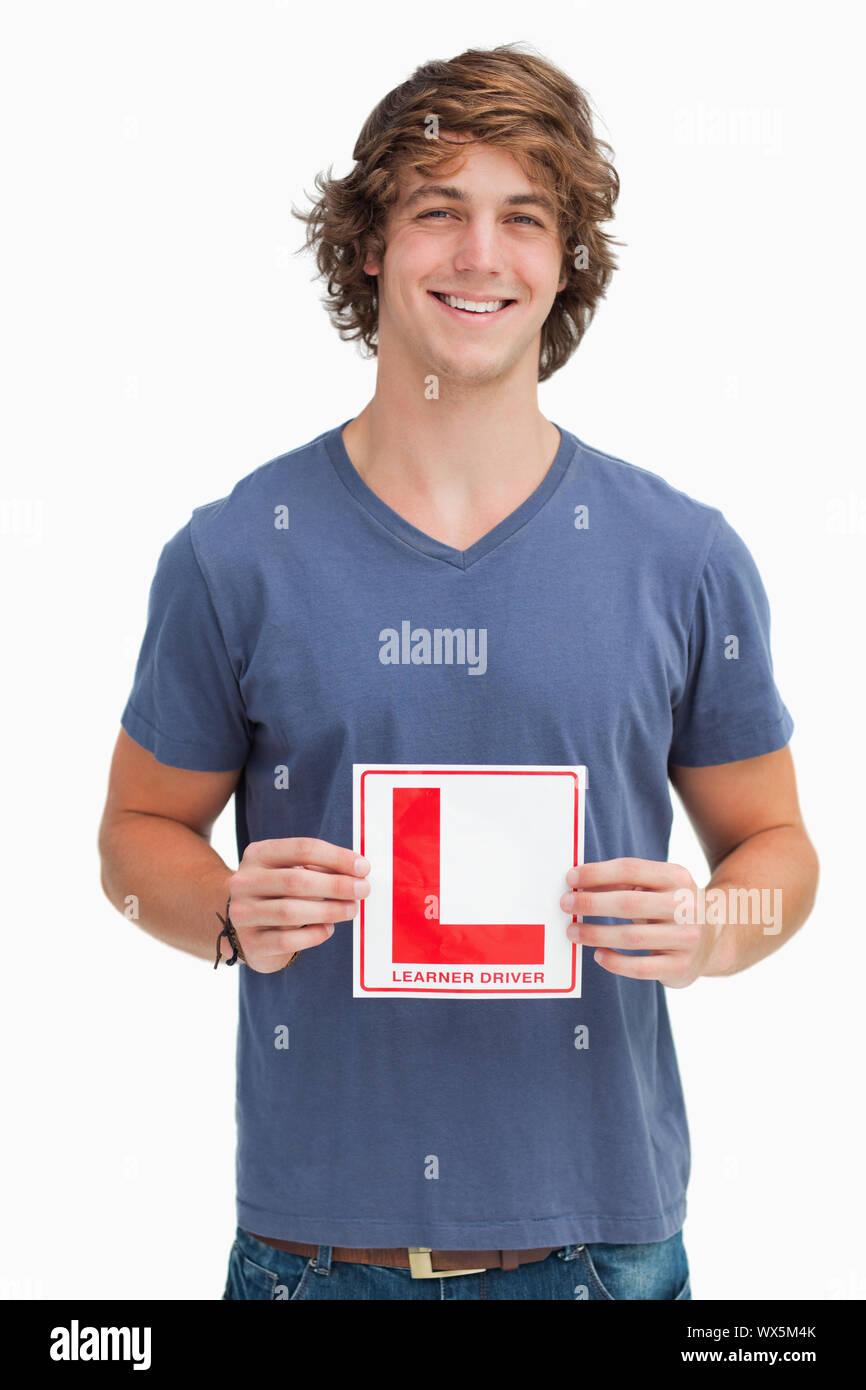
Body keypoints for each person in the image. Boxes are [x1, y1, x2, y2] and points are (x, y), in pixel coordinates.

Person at [98, 43, 819, 1301]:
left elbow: (779, 852)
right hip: (310, 1261)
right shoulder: (233, 556)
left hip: (603, 1253)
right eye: (438, 210)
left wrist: (709, 928)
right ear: (371, 244)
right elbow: (132, 840)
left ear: (562, 260)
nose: (480, 255)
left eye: (521, 219)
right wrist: (223, 908)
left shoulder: (681, 556)